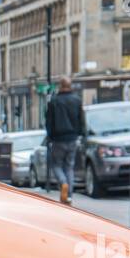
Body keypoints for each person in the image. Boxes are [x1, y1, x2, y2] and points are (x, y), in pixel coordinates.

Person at [44, 77, 84, 205]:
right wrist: (80, 133)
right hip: (72, 138)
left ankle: (63, 183)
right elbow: (81, 119)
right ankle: (69, 195)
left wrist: (49, 136)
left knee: (56, 165)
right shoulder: (77, 100)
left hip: (58, 139)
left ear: (60, 86)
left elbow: (49, 122)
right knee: (69, 166)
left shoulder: (54, 101)